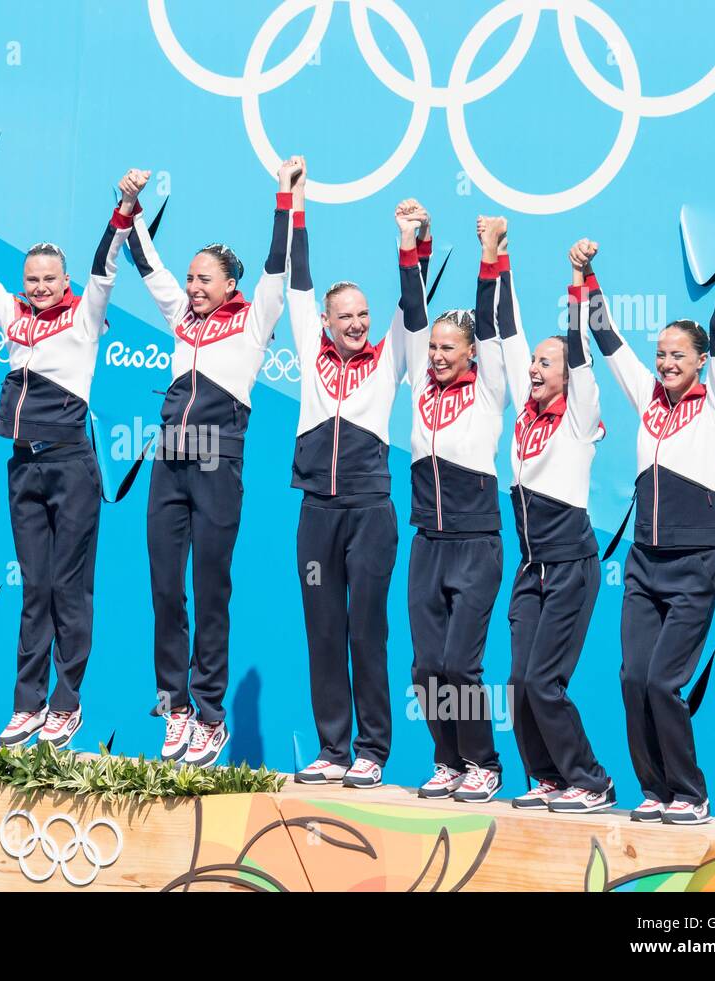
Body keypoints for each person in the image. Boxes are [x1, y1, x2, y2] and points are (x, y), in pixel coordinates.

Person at [0, 171, 140, 750]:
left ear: (64, 281)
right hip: (22, 467)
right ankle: (27, 706)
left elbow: (106, 267)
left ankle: (66, 703)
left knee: (70, 588)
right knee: (34, 588)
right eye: (32, 279)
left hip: (71, 465)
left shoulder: (85, 315)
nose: (40, 287)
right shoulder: (13, 318)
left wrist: (122, 207)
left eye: (49, 279)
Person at [587, 223, 715, 825]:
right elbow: (606, 337)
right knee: (633, 678)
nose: (664, 363)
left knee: (665, 683)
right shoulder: (647, 397)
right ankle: (657, 790)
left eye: (676, 355)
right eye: (660, 353)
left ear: (701, 364)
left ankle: (691, 792)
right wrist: (585, 276)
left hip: (693, 564)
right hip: (643, 563)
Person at [123, 161, 296, 768]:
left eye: (205, 280)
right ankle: (173, 708)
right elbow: (149, 268)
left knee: (209, 588)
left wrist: (285, 197)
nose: (193, 287)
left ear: (229, 285)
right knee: (165, 586)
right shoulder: (181, 319)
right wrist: (131, 208)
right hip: (170, 458)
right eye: (192, 278)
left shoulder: (252, 324)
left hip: (219, 460)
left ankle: (210, 715)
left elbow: (278, 269)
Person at [283, 159, 402, 789]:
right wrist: (295, 201)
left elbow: (413, 312)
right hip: (317, 513)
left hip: (370, 514)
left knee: (367, 632)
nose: (355, 323)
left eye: (362, 314)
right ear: (327, 324)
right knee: (323, 629)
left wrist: (411, 245)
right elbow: (299, 283)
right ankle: (332, 750)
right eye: (344, 316)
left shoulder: (389, 361)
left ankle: (372, 750)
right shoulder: (311, 350)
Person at [499, 236, 614, 813]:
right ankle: (546, 777)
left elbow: (580, 351)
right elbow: (506, 326)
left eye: (547, 364)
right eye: (534, 364)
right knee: (520, 685)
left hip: (571, 565)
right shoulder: (523, 415)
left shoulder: (579, 419)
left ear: (568, 377)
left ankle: (591, 781)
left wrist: (578, 279)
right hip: (530, 568)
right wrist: (497, 256)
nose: (536, 369)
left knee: (546, 682)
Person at [398, 205, 508, 803]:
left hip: (475, 543)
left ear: (469, 353)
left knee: (463, 666)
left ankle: (483, 763)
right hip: (427, 544)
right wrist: (411, 241)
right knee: (426, 668)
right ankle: (448, 762)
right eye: (434, 347)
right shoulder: (420, 381)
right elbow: (413, 312)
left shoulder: (489, 390)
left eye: (449, 348)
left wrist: (490, 256)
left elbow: (489, 324)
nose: (438, 355)